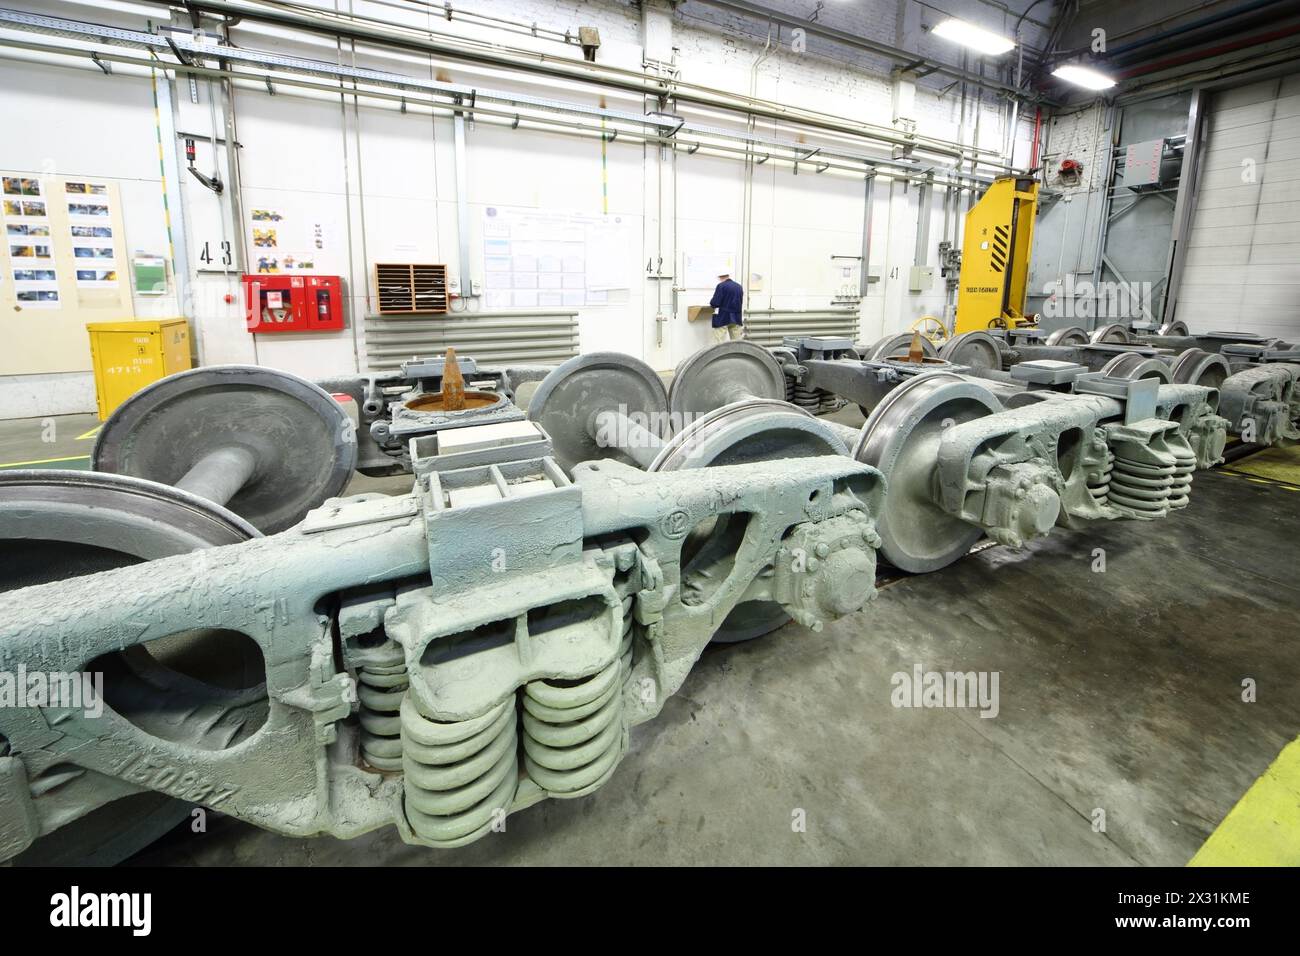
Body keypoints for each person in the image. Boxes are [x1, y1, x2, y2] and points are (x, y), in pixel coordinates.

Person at [709, 272, 744, 343]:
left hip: (723, 317)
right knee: (737, 343)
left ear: (720, 277)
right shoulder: (739, 286)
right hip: (736, 317)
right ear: (728, 276)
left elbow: (715, 303)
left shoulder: (721, 286)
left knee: (718, 342)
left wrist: (712, 303)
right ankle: (736, 354)